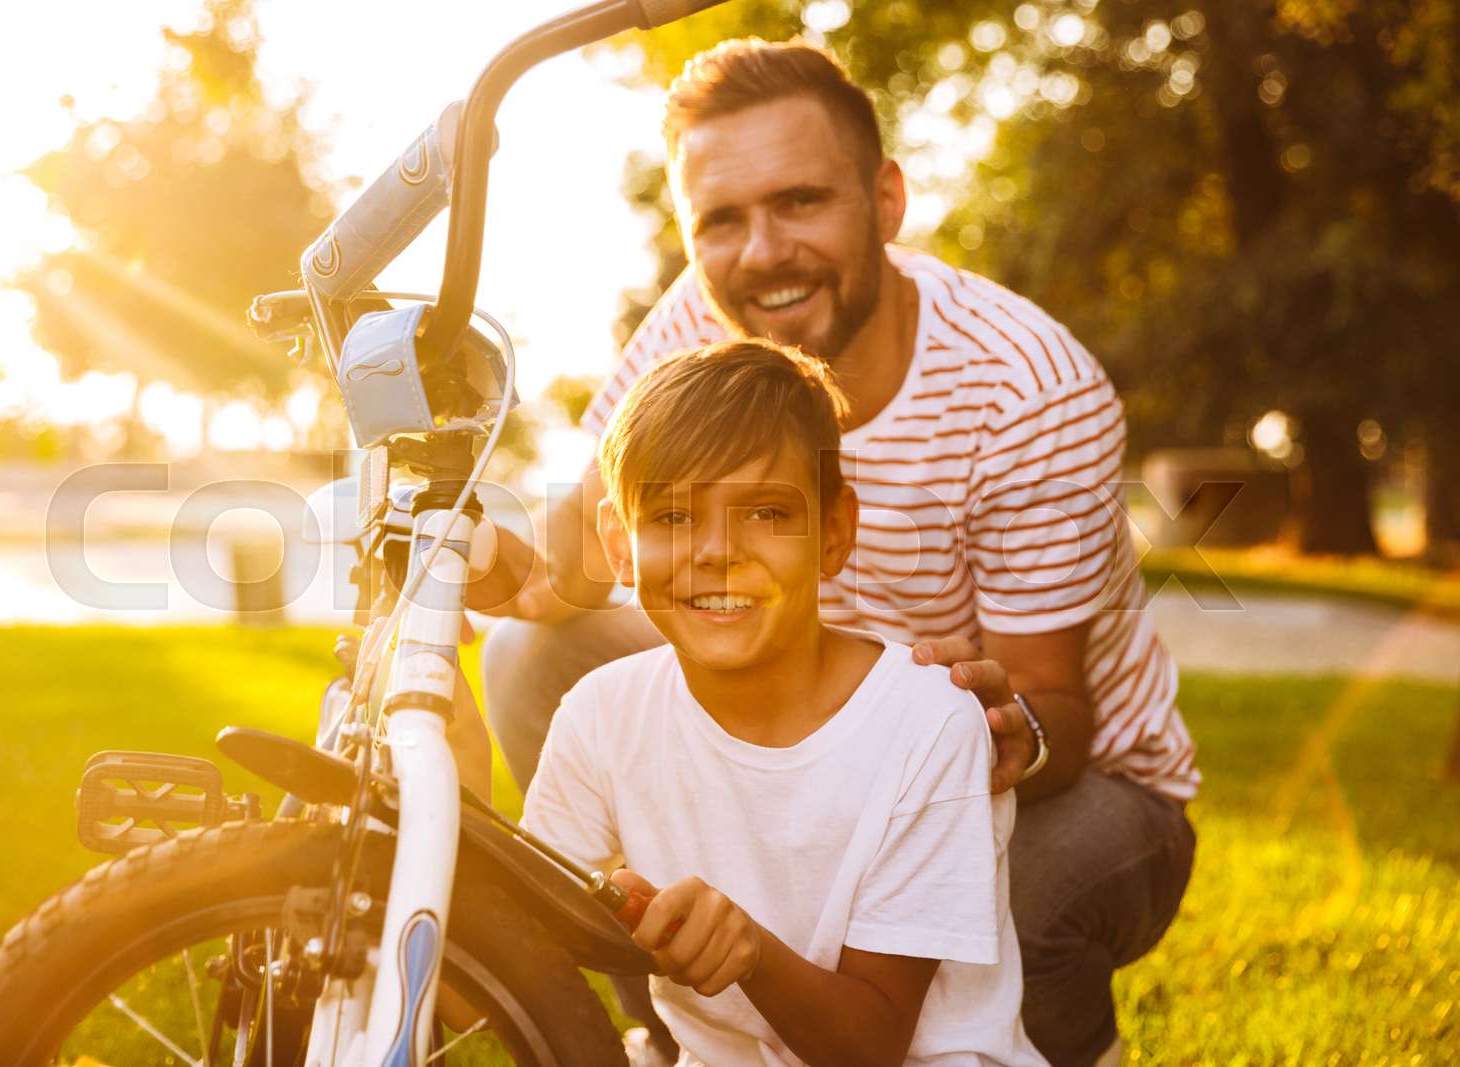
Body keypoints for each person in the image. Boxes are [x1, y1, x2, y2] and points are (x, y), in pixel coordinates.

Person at [473, 39, 1197, 1067]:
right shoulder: (696, 322)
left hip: (1076, 780)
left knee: (1003, 917)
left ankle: (1069, 1048)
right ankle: (671, 1024)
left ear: (886, 202)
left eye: (800, 201)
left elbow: (1056, 714)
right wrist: (474, 552)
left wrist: (963, 743)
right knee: (526, 654)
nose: (761, 252)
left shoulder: (1028, 390)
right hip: (815, 720)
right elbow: (569, 565)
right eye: (720, 219)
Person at [522, 339, 1046, 1067]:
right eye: (672, 517)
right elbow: (509, 945)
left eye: (765, 512)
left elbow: (872, 1045)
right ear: (619, 543)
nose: (716, 550)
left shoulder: (929, 721)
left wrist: (751, 953)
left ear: (834, 532)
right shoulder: (600, 715)